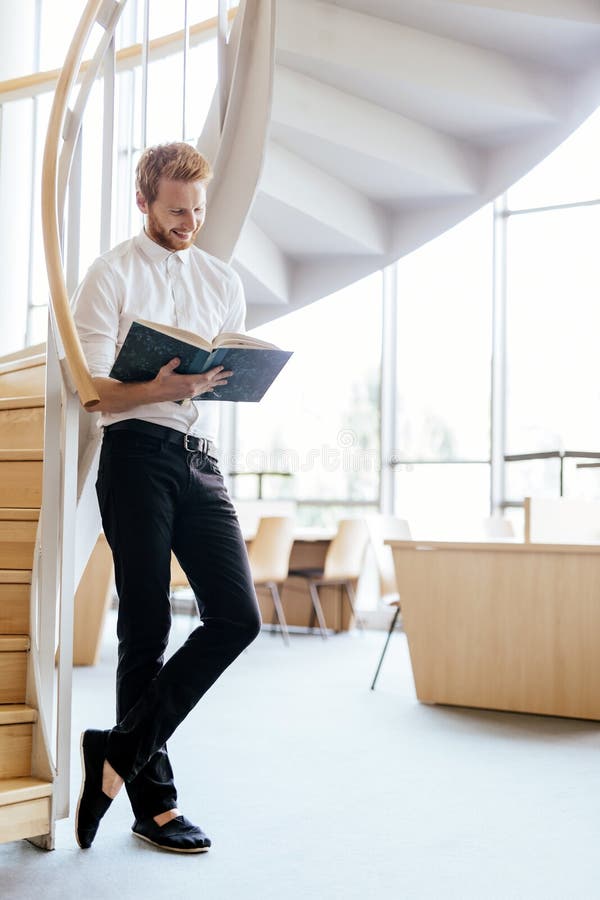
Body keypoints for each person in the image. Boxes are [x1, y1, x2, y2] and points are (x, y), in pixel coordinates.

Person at [72, 142, 262, 853]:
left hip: (197, 457)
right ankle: (155, 809)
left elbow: (222, 369)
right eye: (176, 209)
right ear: (144, 200)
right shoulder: (110, 275)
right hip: (135, 454)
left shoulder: (221, 279)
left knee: (236, 618)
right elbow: (93, 390)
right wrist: (162, 387)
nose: (189, 222)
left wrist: (225, 378)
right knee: (145, 629)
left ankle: (114, 757)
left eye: (198, 210)